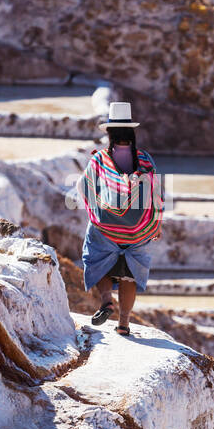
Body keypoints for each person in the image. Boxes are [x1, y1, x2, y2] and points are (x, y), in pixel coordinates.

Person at [76, 102, 163, 336]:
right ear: (132, 133)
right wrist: (155, 224)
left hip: (107, 228)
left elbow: (83, 188)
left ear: (110, 134)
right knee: (129, 273)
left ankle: (106, 301)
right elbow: (156, 193)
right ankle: (124, 324)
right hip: (138, 229)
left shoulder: (100, 159)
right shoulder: (145, 160)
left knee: (96, 259)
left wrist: (96, 214)